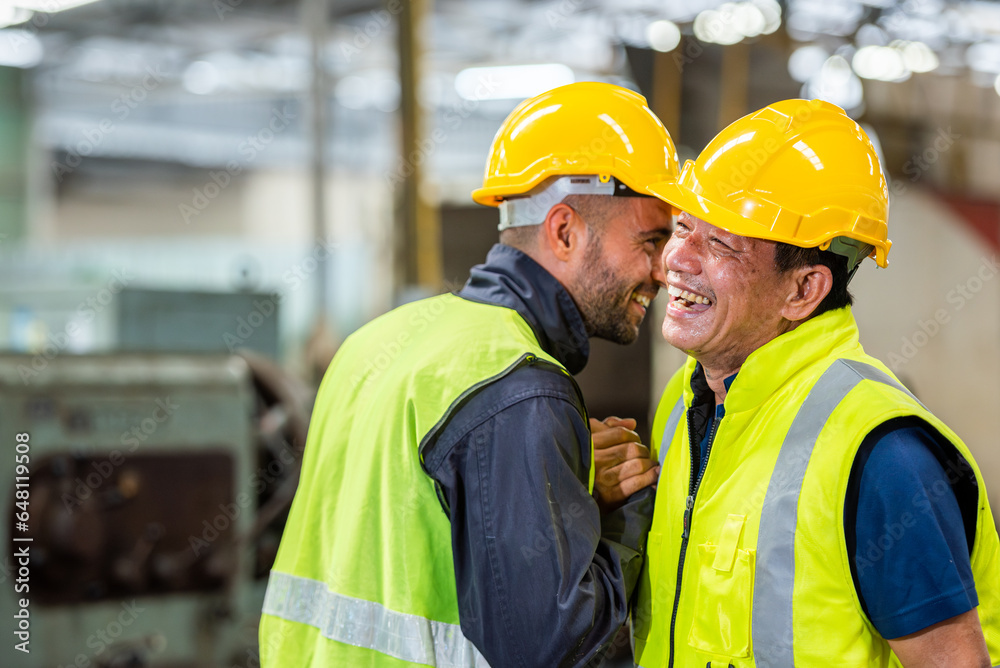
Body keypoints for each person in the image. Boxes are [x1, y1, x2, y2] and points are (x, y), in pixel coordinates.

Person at [259, 81, 680, 667]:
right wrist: (620, 514)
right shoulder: (521, 389)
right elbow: (552, 651)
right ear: (564, 231)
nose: (664, 271)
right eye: (651, 241)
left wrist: (564, 498)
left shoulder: (376, 341)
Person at [632, 99, 1000, 667]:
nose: (678, 257)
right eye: (684, 227)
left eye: (722, 243)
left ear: (803, 290)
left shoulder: (883, 456)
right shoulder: (687, 408)